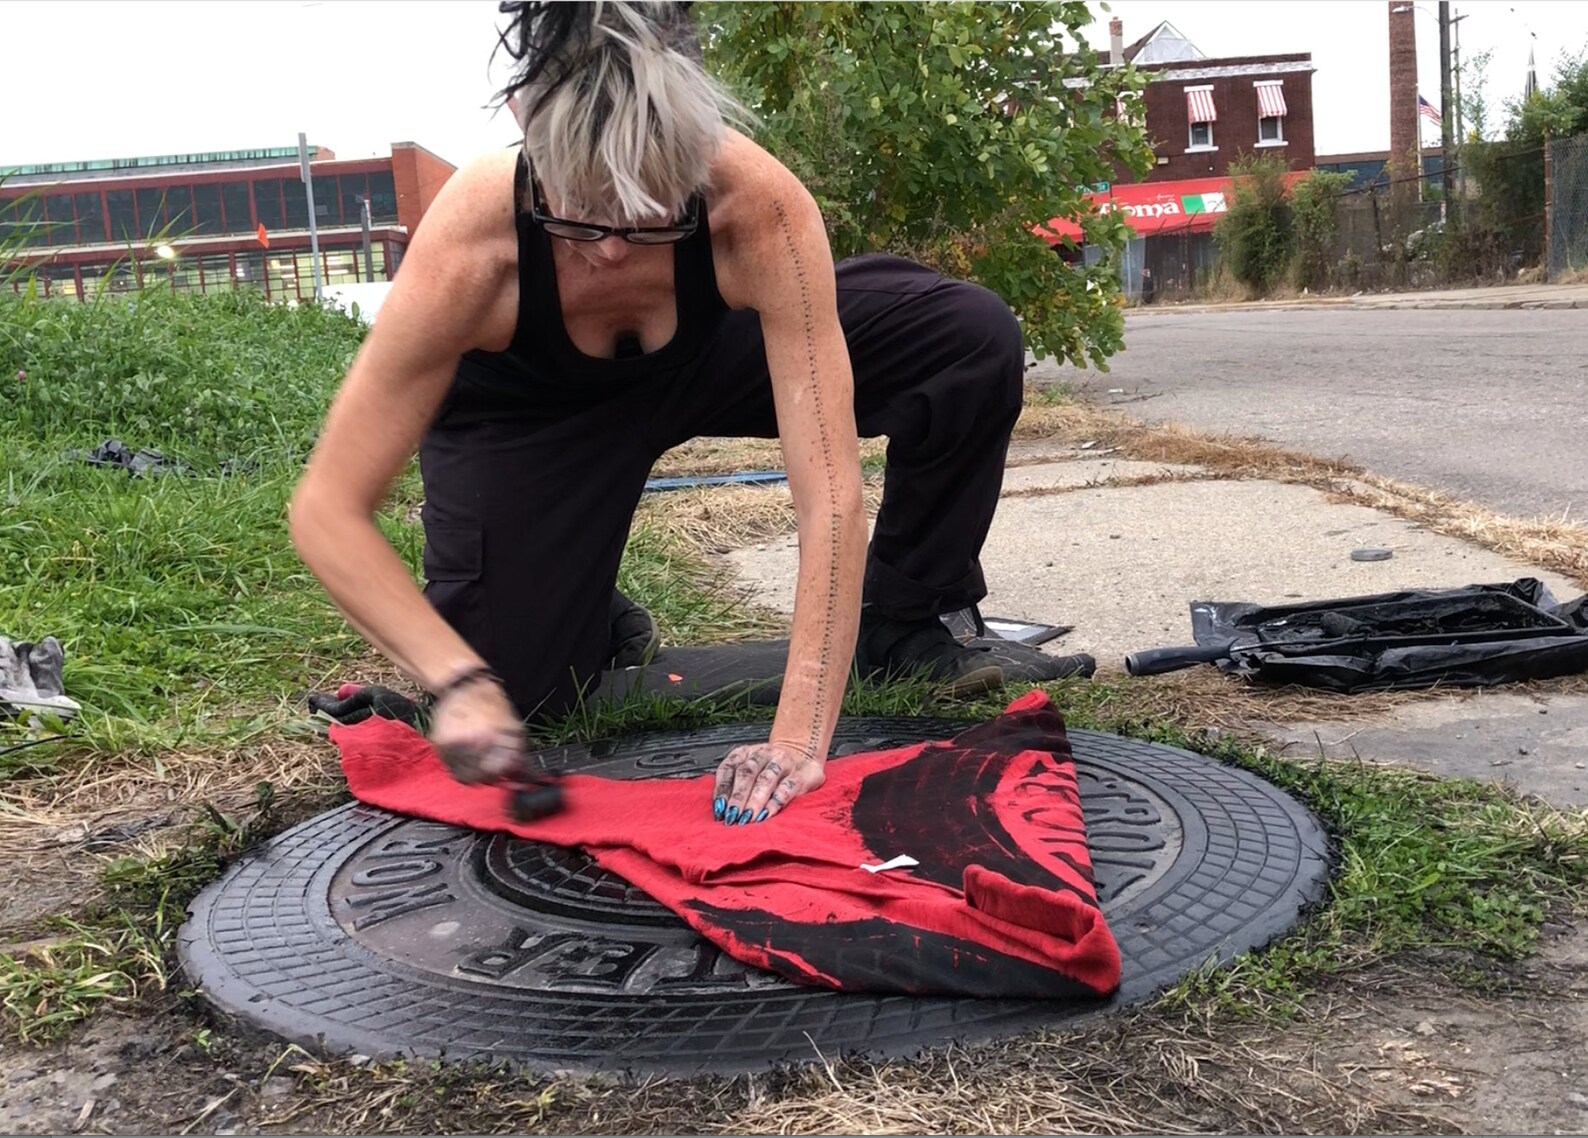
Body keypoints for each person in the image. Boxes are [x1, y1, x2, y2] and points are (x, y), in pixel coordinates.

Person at [288, 0, 1026, 827]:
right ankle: (585, 603)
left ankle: (902, 619)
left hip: (706, 361)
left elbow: (830, 496)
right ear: (523, 123)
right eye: (576, 213)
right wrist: (455, 682)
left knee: (967, 337)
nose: (609, 250)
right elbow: (327, 511)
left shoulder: (756, 206)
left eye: (650, 215)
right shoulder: (471, 247)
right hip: (532, 413)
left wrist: (796, 741)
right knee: (521, 692)